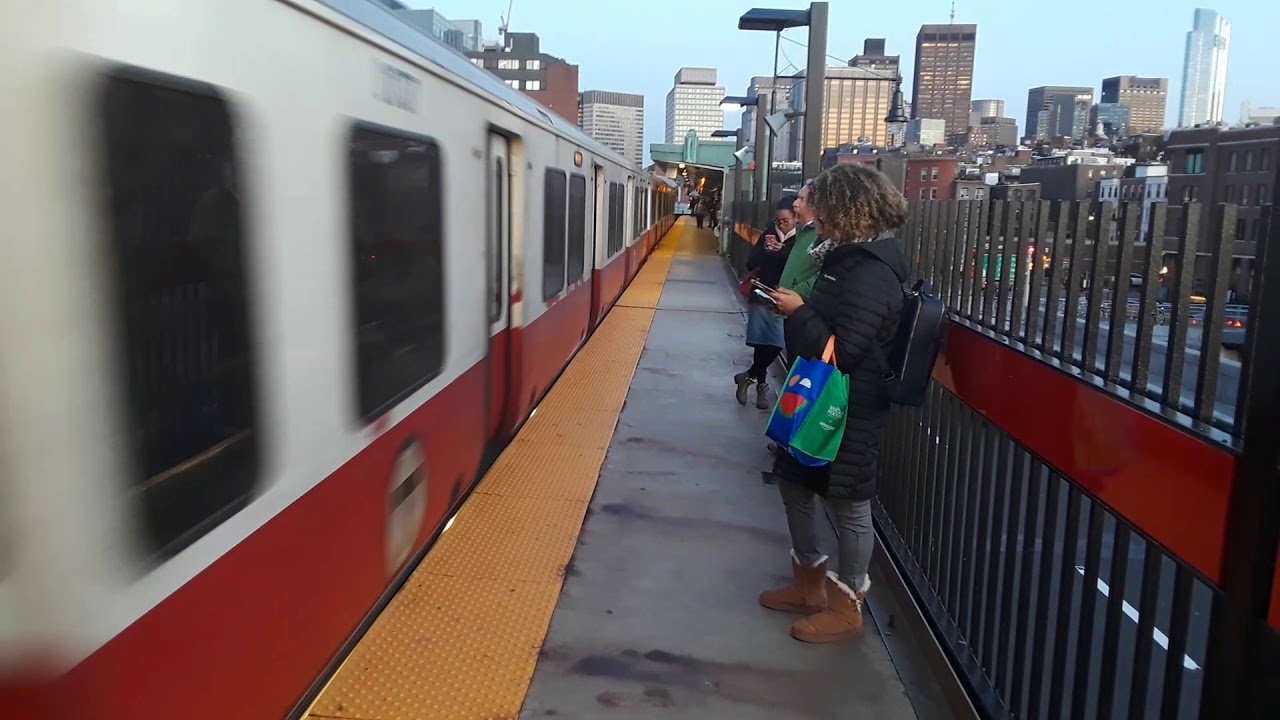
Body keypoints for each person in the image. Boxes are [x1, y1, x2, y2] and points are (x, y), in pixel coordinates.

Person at [759, 164, 909, 644]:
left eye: (816, 203)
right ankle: (809, 587)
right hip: (820, 398)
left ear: (844, 208)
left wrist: (798, 311)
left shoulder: (871, 273)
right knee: (795, 484)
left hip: (849, 407)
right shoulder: (845, 261)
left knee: (849, 505)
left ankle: (847, 607)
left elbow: (843, 352)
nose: (808, 210)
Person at [734, 198, 797, 409]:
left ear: (795, 218)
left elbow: (797, 265)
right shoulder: (769, 233)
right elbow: (751, 261)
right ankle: (761, 386)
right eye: (778, 220)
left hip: (784, 297)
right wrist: (766, 250)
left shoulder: (802, 238)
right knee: (761, 343)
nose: (781, 224)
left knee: (776, 343)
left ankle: (747, 376)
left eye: (785, 221)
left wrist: (781, 251)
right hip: (762, 293)